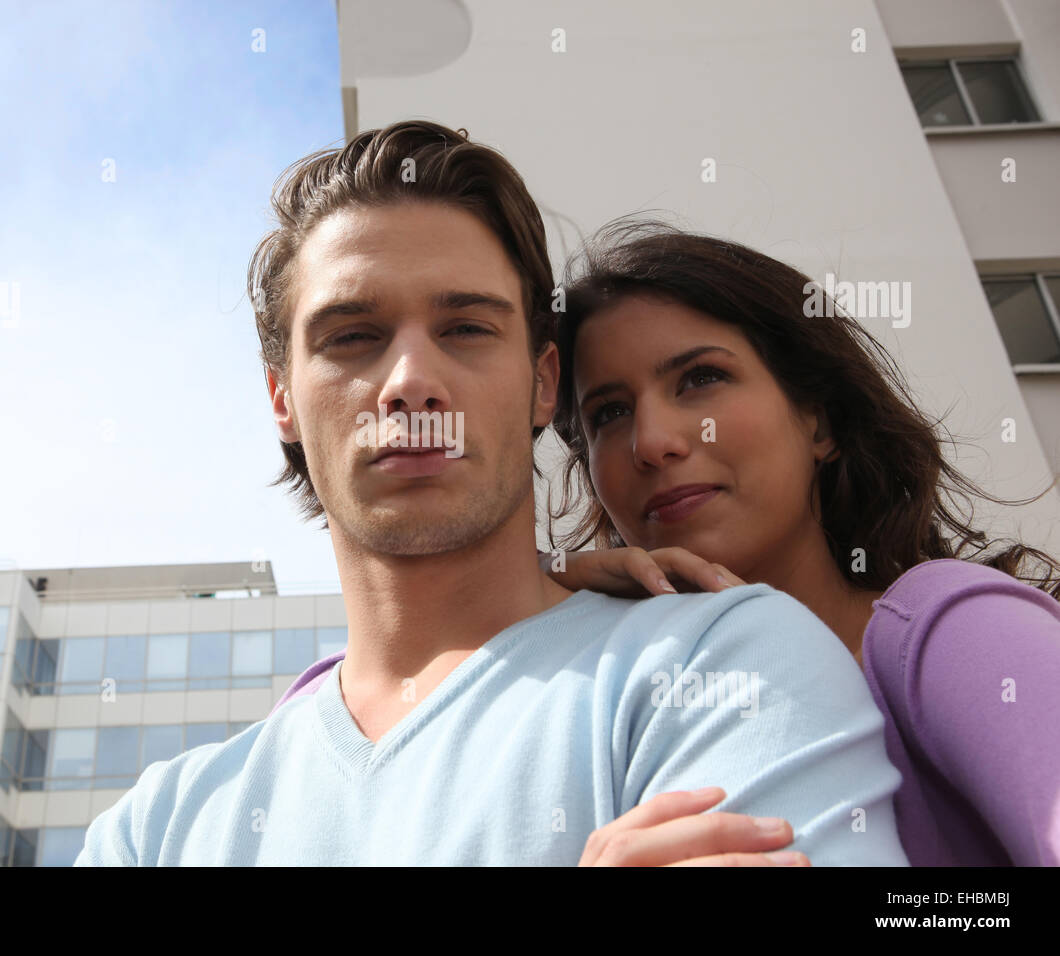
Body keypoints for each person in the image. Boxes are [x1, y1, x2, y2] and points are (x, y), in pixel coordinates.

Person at [76, 123, 908, 866]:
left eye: (467, 327)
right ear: (282, 400)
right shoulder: (154, 830)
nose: (411, 383)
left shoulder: (724, 660)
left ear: (544, 383)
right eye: (353, 337)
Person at [278, 216, 1060, 866]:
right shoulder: (616, 673)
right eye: (610, 414)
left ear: (817, 418)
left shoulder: (949, 631)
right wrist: (544, 599)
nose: (653, 441)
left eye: (700, 381)